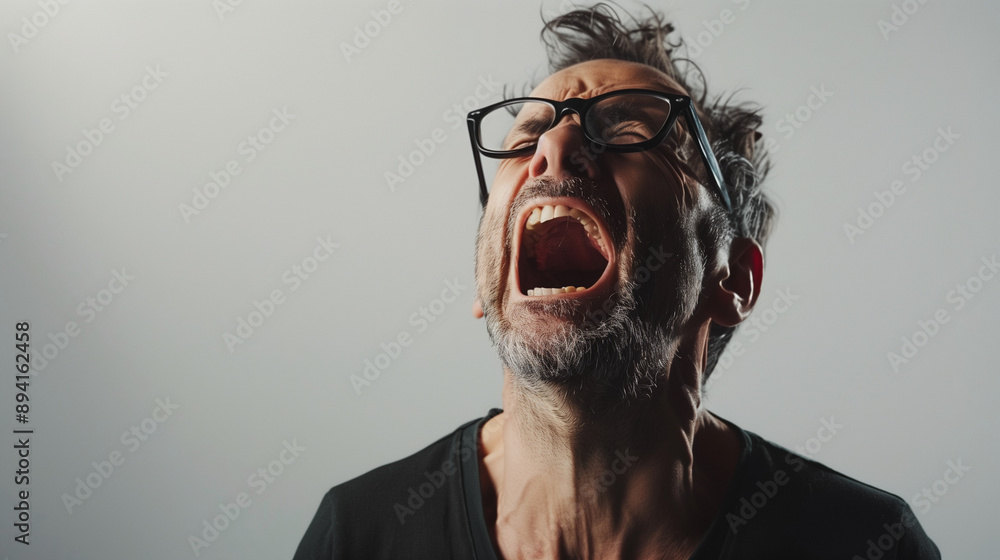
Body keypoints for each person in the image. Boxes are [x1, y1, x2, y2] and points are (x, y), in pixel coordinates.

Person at [293, 5, 940, 559]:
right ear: (486, 276)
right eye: (528, 133)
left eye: (631, 129)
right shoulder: (360, 534)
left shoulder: (864, 542)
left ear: (734, 279)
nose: (555, 145)